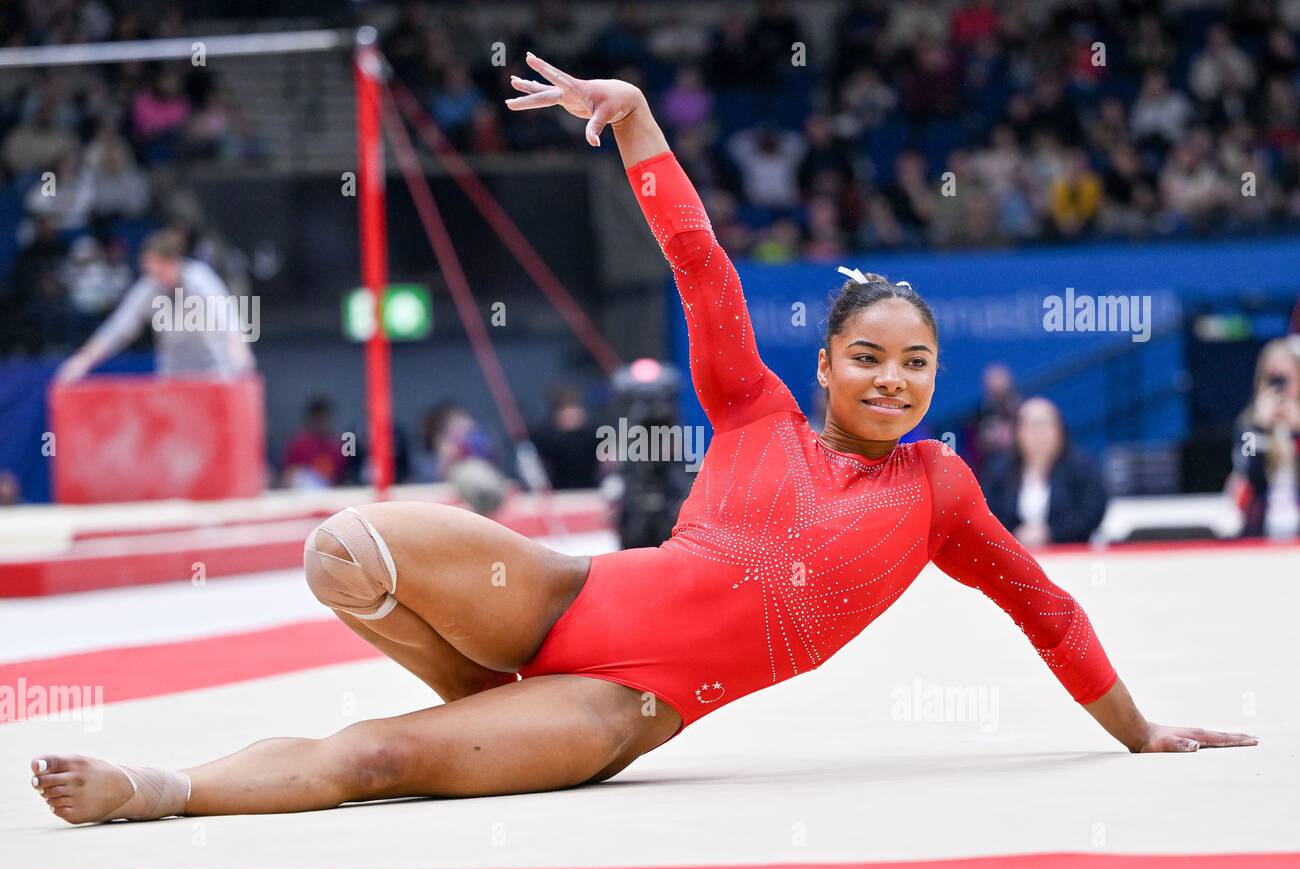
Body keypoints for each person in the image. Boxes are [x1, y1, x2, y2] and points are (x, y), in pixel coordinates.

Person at [31, 56, 1257, 825]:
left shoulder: (938, 490)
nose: (892, 379)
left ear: (934, 379)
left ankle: (165, 789)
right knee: (341, 551)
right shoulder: (749, 403)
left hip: (628, 702)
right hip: (558, 597)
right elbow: (702, 269)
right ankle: (487, 708)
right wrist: (633, 127)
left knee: (378, 764)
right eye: (868, 357)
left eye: (915, 363)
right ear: (823, 365)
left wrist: (1137, 728)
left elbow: (1041, 605)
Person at [53, 229, 256, 382]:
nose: (151, 272)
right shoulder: (150, 287)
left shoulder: (200, 280)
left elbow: (228, 318)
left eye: (156, 265)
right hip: (175, 376)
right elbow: (119, 327)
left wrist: (241, 352)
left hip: (216, 374)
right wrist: (83, 360)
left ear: (172, 262)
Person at [980, 397, 1108, 546]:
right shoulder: (1000, 472)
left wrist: (1051, 532)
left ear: (1060, 430)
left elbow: (1092, 512)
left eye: (1045, 425)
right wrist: (1015, 534)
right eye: (1032, 425)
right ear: (1018, 432)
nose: (1039, 433)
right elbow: (987, 512)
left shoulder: (1082, 468)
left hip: (1070, 555)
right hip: (1012, 555)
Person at [1227, 338, 1300, 540]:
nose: (1279, 388)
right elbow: (1249, 473)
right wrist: (1260, 429)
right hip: (1261, 530)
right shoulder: (1249, 426)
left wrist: (1296, 432)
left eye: (1285, 379)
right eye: (1272, 379)